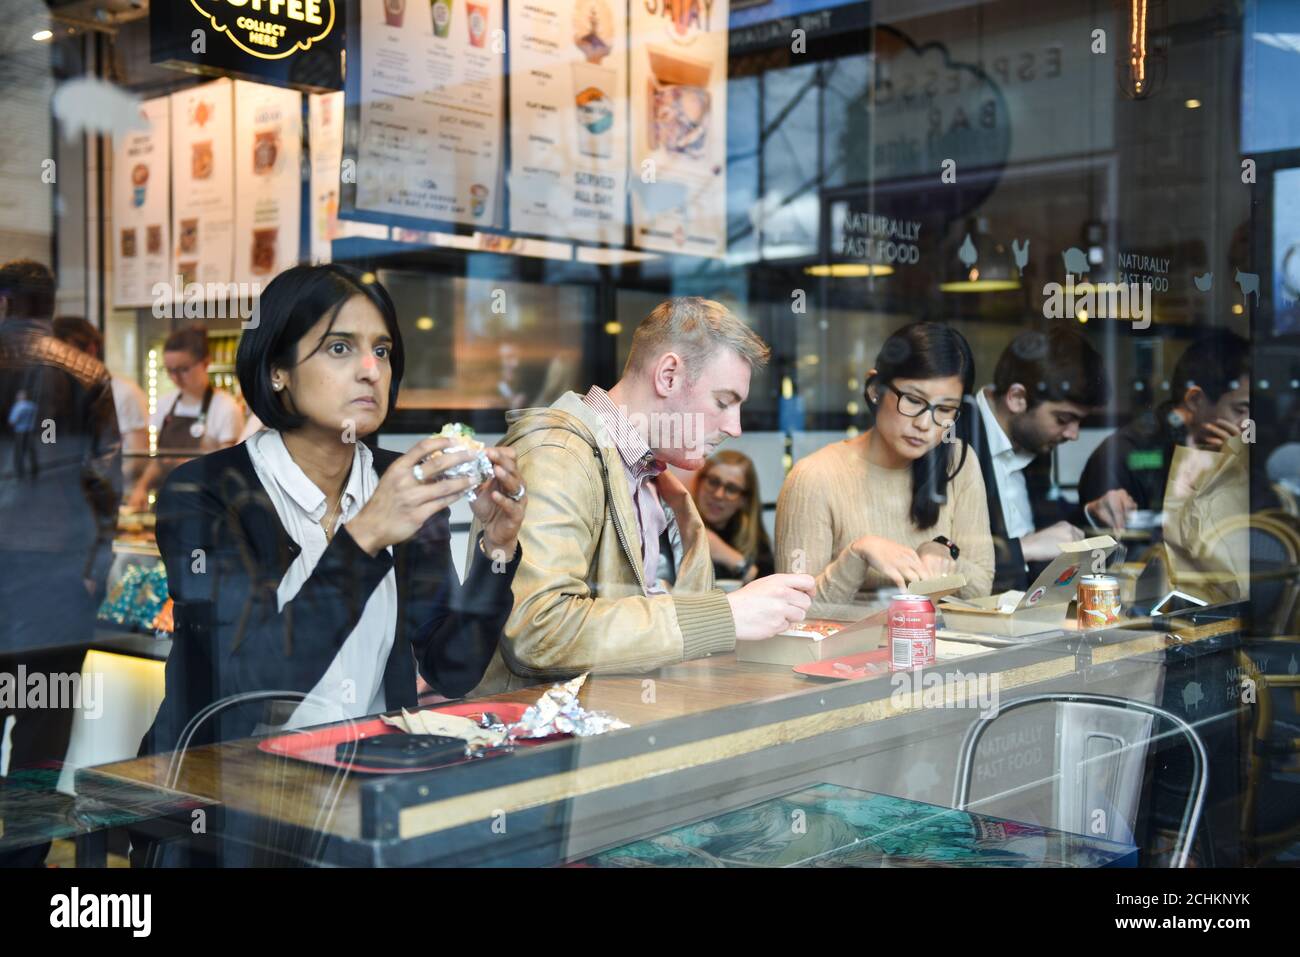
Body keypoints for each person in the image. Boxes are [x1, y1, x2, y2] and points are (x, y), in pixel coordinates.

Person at [139, 263, 525, 762]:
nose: (371, 369)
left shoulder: (401, 481)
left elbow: (453, 668)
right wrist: (363, 536)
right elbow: (245, 679)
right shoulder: (205, 491)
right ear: (277, 369)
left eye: (382, 350)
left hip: (364, 789)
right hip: (226, 803)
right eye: (339, 348)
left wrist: (496, 549)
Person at [469, 297, 815, 694]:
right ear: (668, 375)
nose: (734, 427)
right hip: (546, 745)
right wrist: (726, 614)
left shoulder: (651, 476)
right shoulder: (557, 454)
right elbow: (539, 631)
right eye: (723, 402)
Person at [0, 260, 121, 867]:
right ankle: (23, 863)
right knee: (41, 740)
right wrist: (93, 571)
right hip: (55, 587)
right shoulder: (88, 372)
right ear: (49, 305)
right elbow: (104, 481)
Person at [776, 322, 994, 605]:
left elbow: (981, 590)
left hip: (936, 646)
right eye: (914, 400)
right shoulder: (814, 477)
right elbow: (796, 613)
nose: (925, 424)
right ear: (875, 389)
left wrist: (945, 552)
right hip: (850, 648)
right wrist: (857, 554)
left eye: (944, 409)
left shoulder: (958, 463)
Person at [956, 327, 1127, 593]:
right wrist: (1023, 550)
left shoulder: (1035, 444)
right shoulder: (953, 439)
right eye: (1063, 419)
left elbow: (1047, 533)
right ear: (1017, 398)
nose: (1073, 434)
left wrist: (1090, 514)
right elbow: (940, 562)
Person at [1077, 330, 1250, 516]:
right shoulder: (1123, 456)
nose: (1248, 423)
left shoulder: (1238, 452)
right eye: (1240, 410)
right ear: (1194, 400)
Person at [126, 322, 244, 509]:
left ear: (206, 363)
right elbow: (156, 462)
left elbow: (229, 469)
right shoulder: (164, 404)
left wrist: (193, 463)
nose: (176, 378)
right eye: (170, 370)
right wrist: (141, 487)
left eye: (183, 369)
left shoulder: (225, 408)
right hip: (167, 502)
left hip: (206, 505)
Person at [53, 315, 150, 482]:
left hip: (115, 496)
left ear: (91, 349)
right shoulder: (54, 393)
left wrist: (97, 486)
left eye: (66, 352)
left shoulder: (124, 392)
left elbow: (138, 457)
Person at [693, 450, 774, 583]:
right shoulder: (677, 527)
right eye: (713, 482)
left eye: (731, 489)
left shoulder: (752, 538)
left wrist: (726, 555)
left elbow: (772, 589)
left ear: (744, 500)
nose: (718, 495)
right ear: (699, 482)